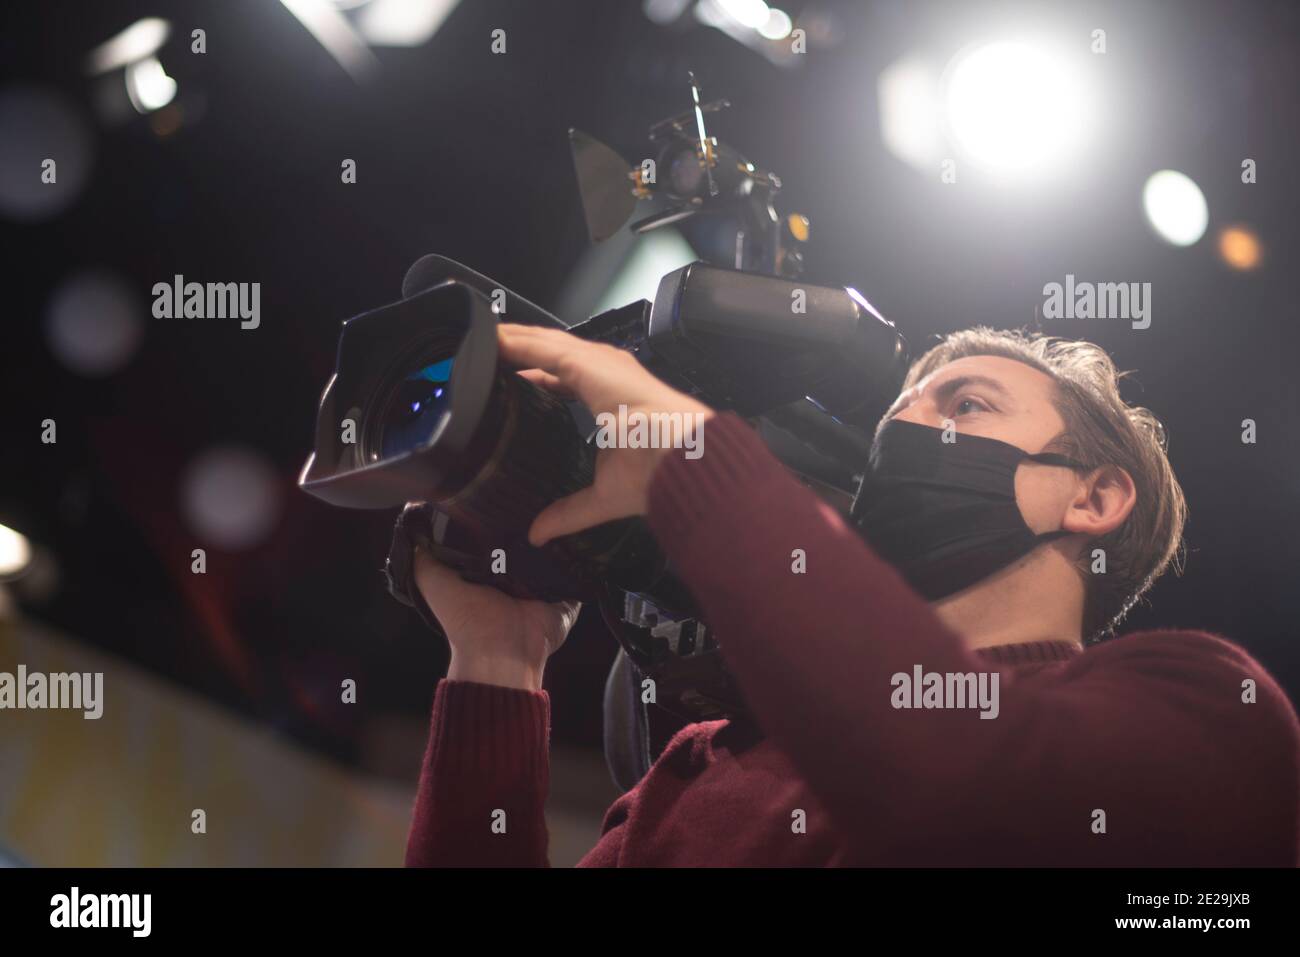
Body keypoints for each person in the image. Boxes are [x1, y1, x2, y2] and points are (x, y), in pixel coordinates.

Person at [403, 322, 1299, 866]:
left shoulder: (1211, 708)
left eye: (965, 406)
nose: (907, 426)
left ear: (1094, 497)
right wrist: (497, 662)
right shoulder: (704, 766)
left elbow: (970, 789)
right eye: (897, 417)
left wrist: (692, 455)